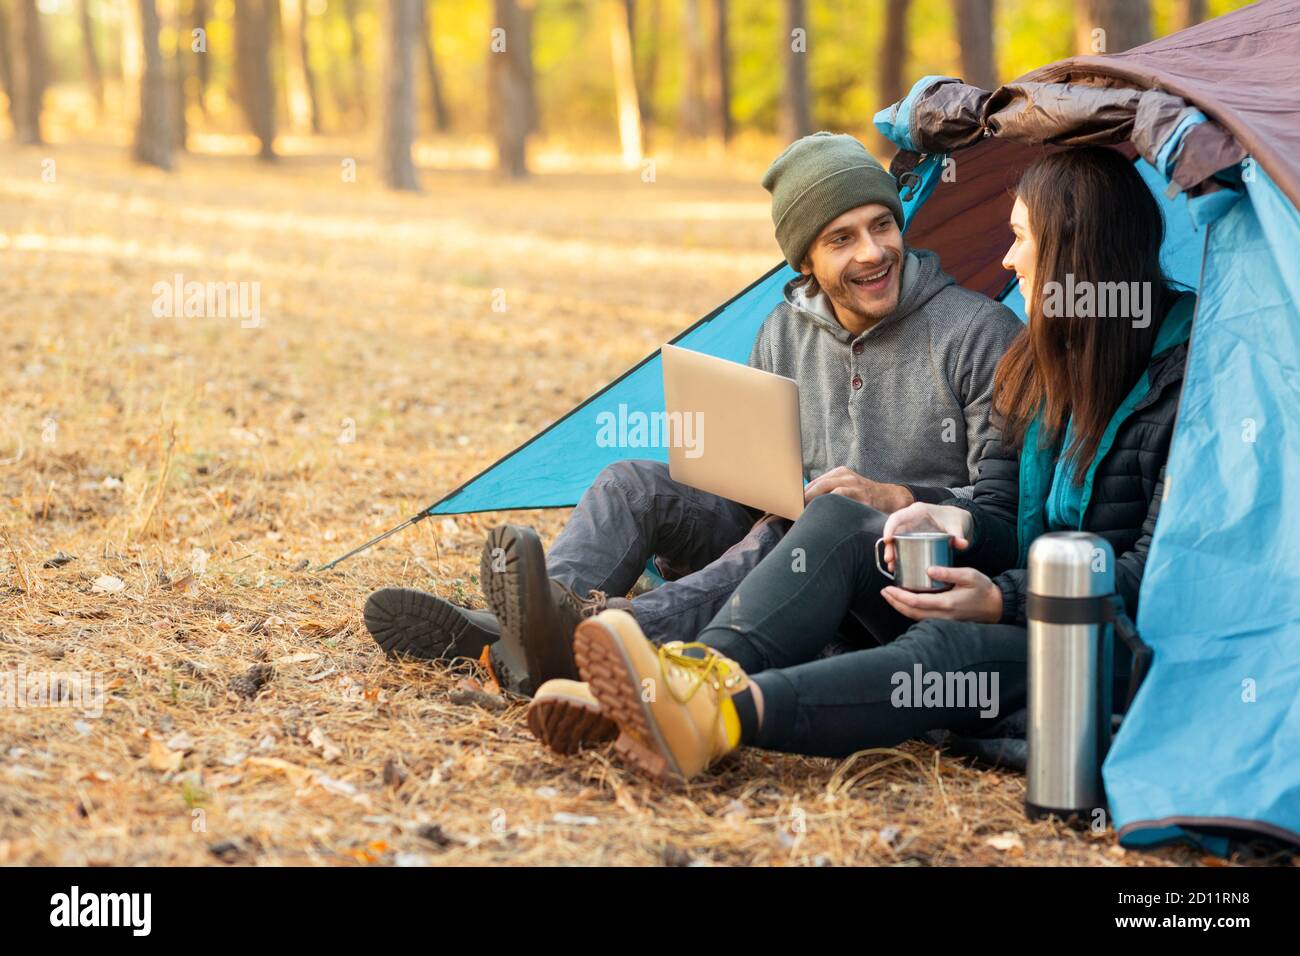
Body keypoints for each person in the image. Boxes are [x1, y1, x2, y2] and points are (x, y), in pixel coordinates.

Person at [536, 146, 1196, 774]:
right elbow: (997, 514)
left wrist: (1002, 597)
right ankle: (688, 676)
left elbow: (1160, 578)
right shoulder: (1040, 364)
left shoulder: (1185, 385)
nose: (1009, 258)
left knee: (945, 651)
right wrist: (929, 514)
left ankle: (715, 715)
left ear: (1078, 256)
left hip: (1101, 641)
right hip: (999, 592)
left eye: (1024, 238)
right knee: (836, 521)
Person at [365, 131, 1021, 708]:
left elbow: (1002, 512)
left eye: (882, 225)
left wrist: (892, 496)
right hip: (781, 534)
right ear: (805, 262)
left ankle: (583, 643)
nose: (873, 252)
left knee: (777, 540)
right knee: (634, 481)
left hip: (883, 570)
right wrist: (736, 469)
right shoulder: (784, 330)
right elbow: (764, 472)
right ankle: (530, 628)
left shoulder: (976, 334)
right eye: (841, 238)